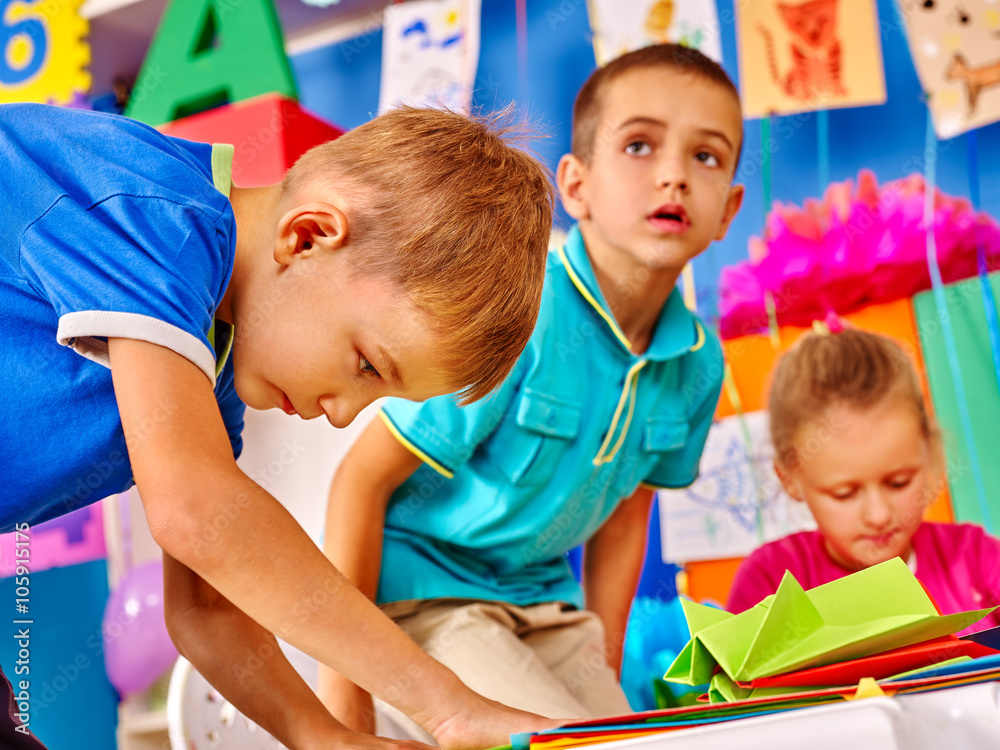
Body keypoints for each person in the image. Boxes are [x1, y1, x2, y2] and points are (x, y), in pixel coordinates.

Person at [0, 103, 558, 749]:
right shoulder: (150, 209)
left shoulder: (211, 353)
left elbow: (209, 609)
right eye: (368, 366)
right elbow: (196, 510)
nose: (345, 412)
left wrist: (324, 737)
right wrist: (447, 706)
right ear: (309, 236)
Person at [319, 43, 745, 738]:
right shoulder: (521, 311)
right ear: (574, 187)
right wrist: (345, 702)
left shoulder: (697, 365)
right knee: (557, 741)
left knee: (636, 739)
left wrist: (600, 678)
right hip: (424, 602)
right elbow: (360, 483)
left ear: (728, 209)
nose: (673, 176)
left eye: (705, 156)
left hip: (544, 609)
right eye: (640, 145)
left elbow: (626, 519)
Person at [727, 326, 1000, 636]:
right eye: (844, 494)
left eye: (899, 482)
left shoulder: (976, 558)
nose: (878, 515)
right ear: (790, 478)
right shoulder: (769, 584)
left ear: (929, 451)